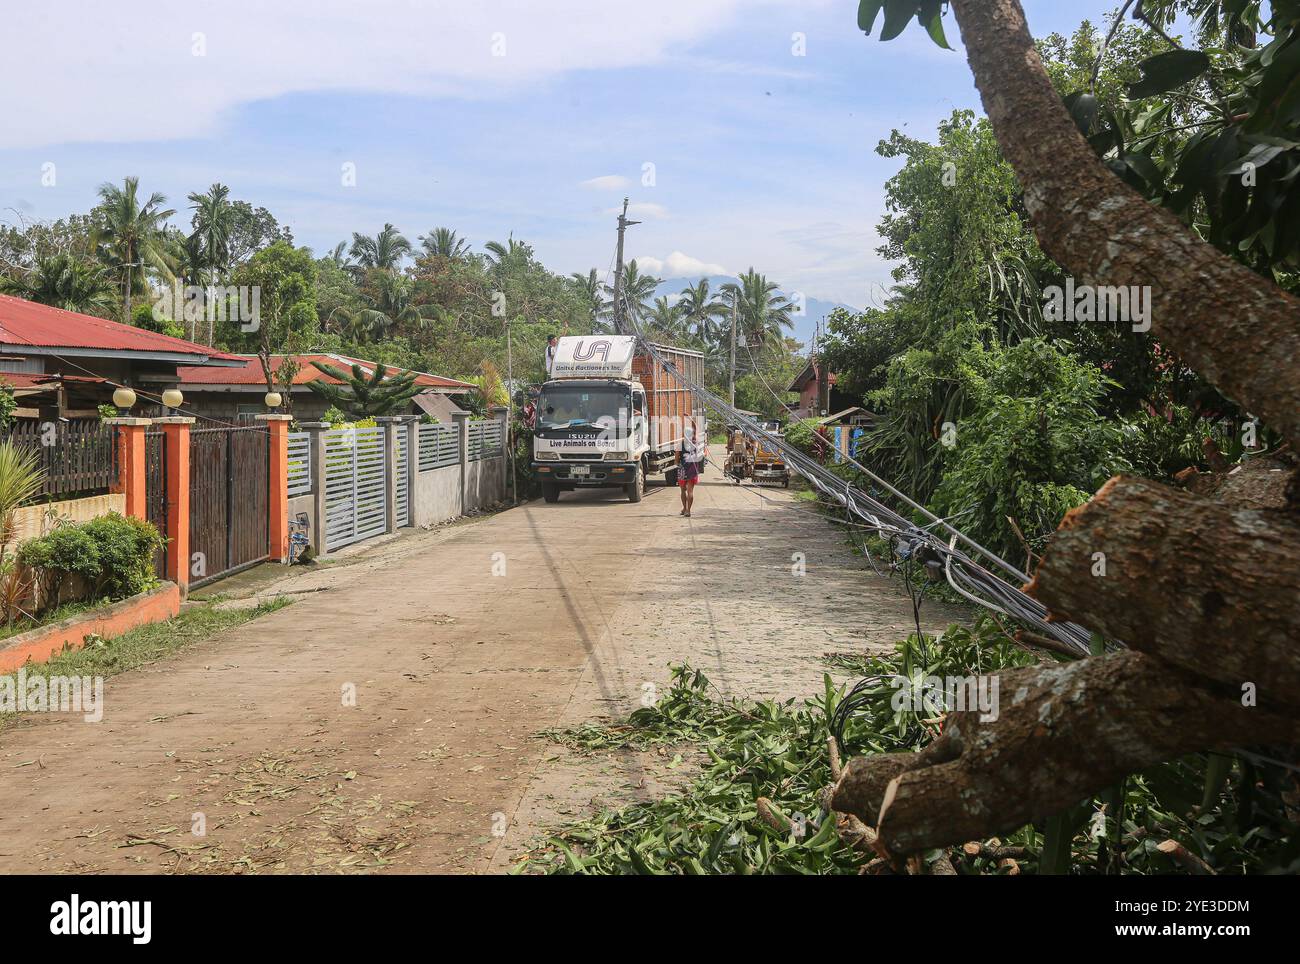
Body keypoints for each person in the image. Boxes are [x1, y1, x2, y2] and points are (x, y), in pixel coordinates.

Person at [678, 423, 706, 517]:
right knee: (690, 491)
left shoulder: (680, 443)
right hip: (693, 469)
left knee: (683, 490)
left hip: (683, 468)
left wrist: (676, 464)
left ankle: (684, 508)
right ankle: (688, 510)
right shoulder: (696, 442)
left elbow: (677, 457)